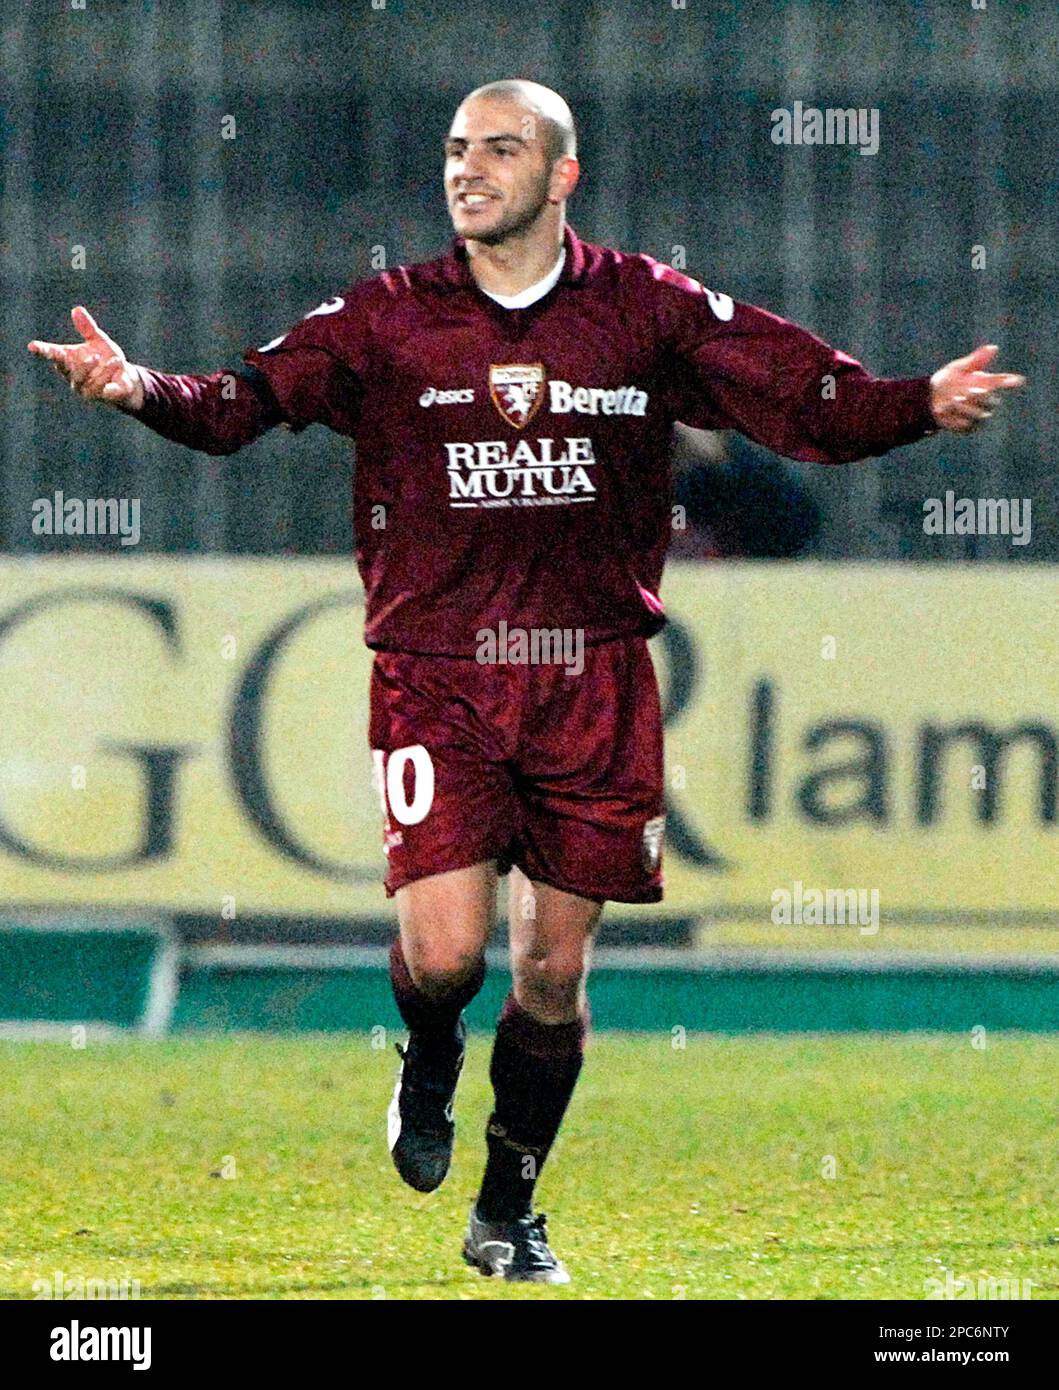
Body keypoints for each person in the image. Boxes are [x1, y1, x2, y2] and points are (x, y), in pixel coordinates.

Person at [28, 78, 1024, 1285]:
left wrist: (917, 404)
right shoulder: (389, 317)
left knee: (553, 972)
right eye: (456, 148)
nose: (468, 169)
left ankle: (508, 1209)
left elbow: (799, 397)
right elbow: (245, 403)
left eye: (500, 149)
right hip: (438, 675)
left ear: (562, 176)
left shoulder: (646, 309)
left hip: (591, 676)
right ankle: (430, 1049)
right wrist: (139, 388)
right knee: (447, 957)